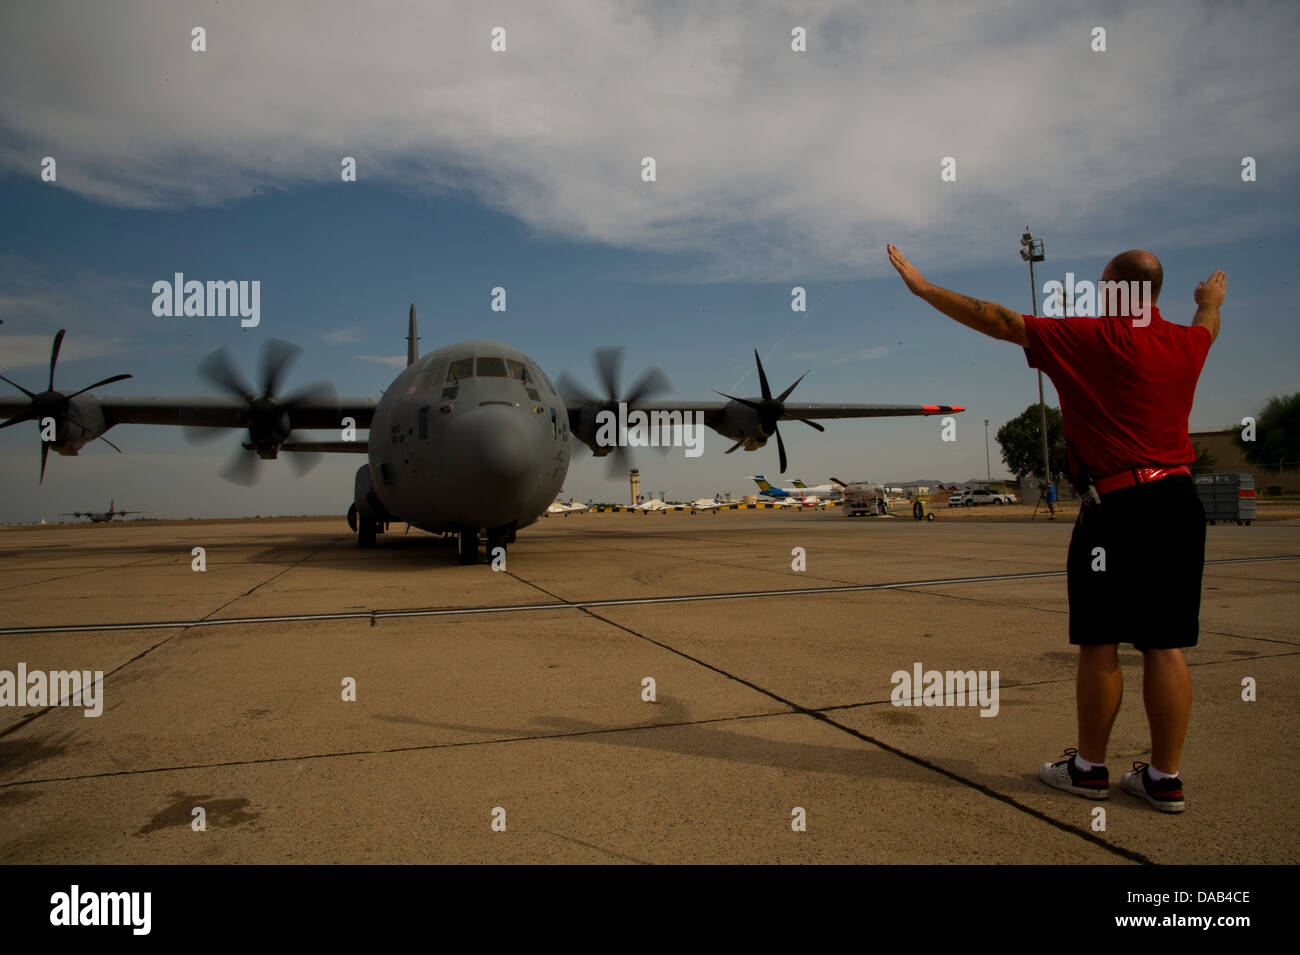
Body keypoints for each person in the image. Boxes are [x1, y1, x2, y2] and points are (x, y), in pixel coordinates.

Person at [887, 243, 1224, 813]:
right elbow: (1207, 327)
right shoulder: (1188, 343)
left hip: (1116, 506)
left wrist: (924, 289)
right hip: (1178, 501)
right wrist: (1210, 302)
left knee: (1100, 642)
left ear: (1115, 290)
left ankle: (1090, 769)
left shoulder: (1088, 337)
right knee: (1166, 645)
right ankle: (1165, 780)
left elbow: (998, 319)